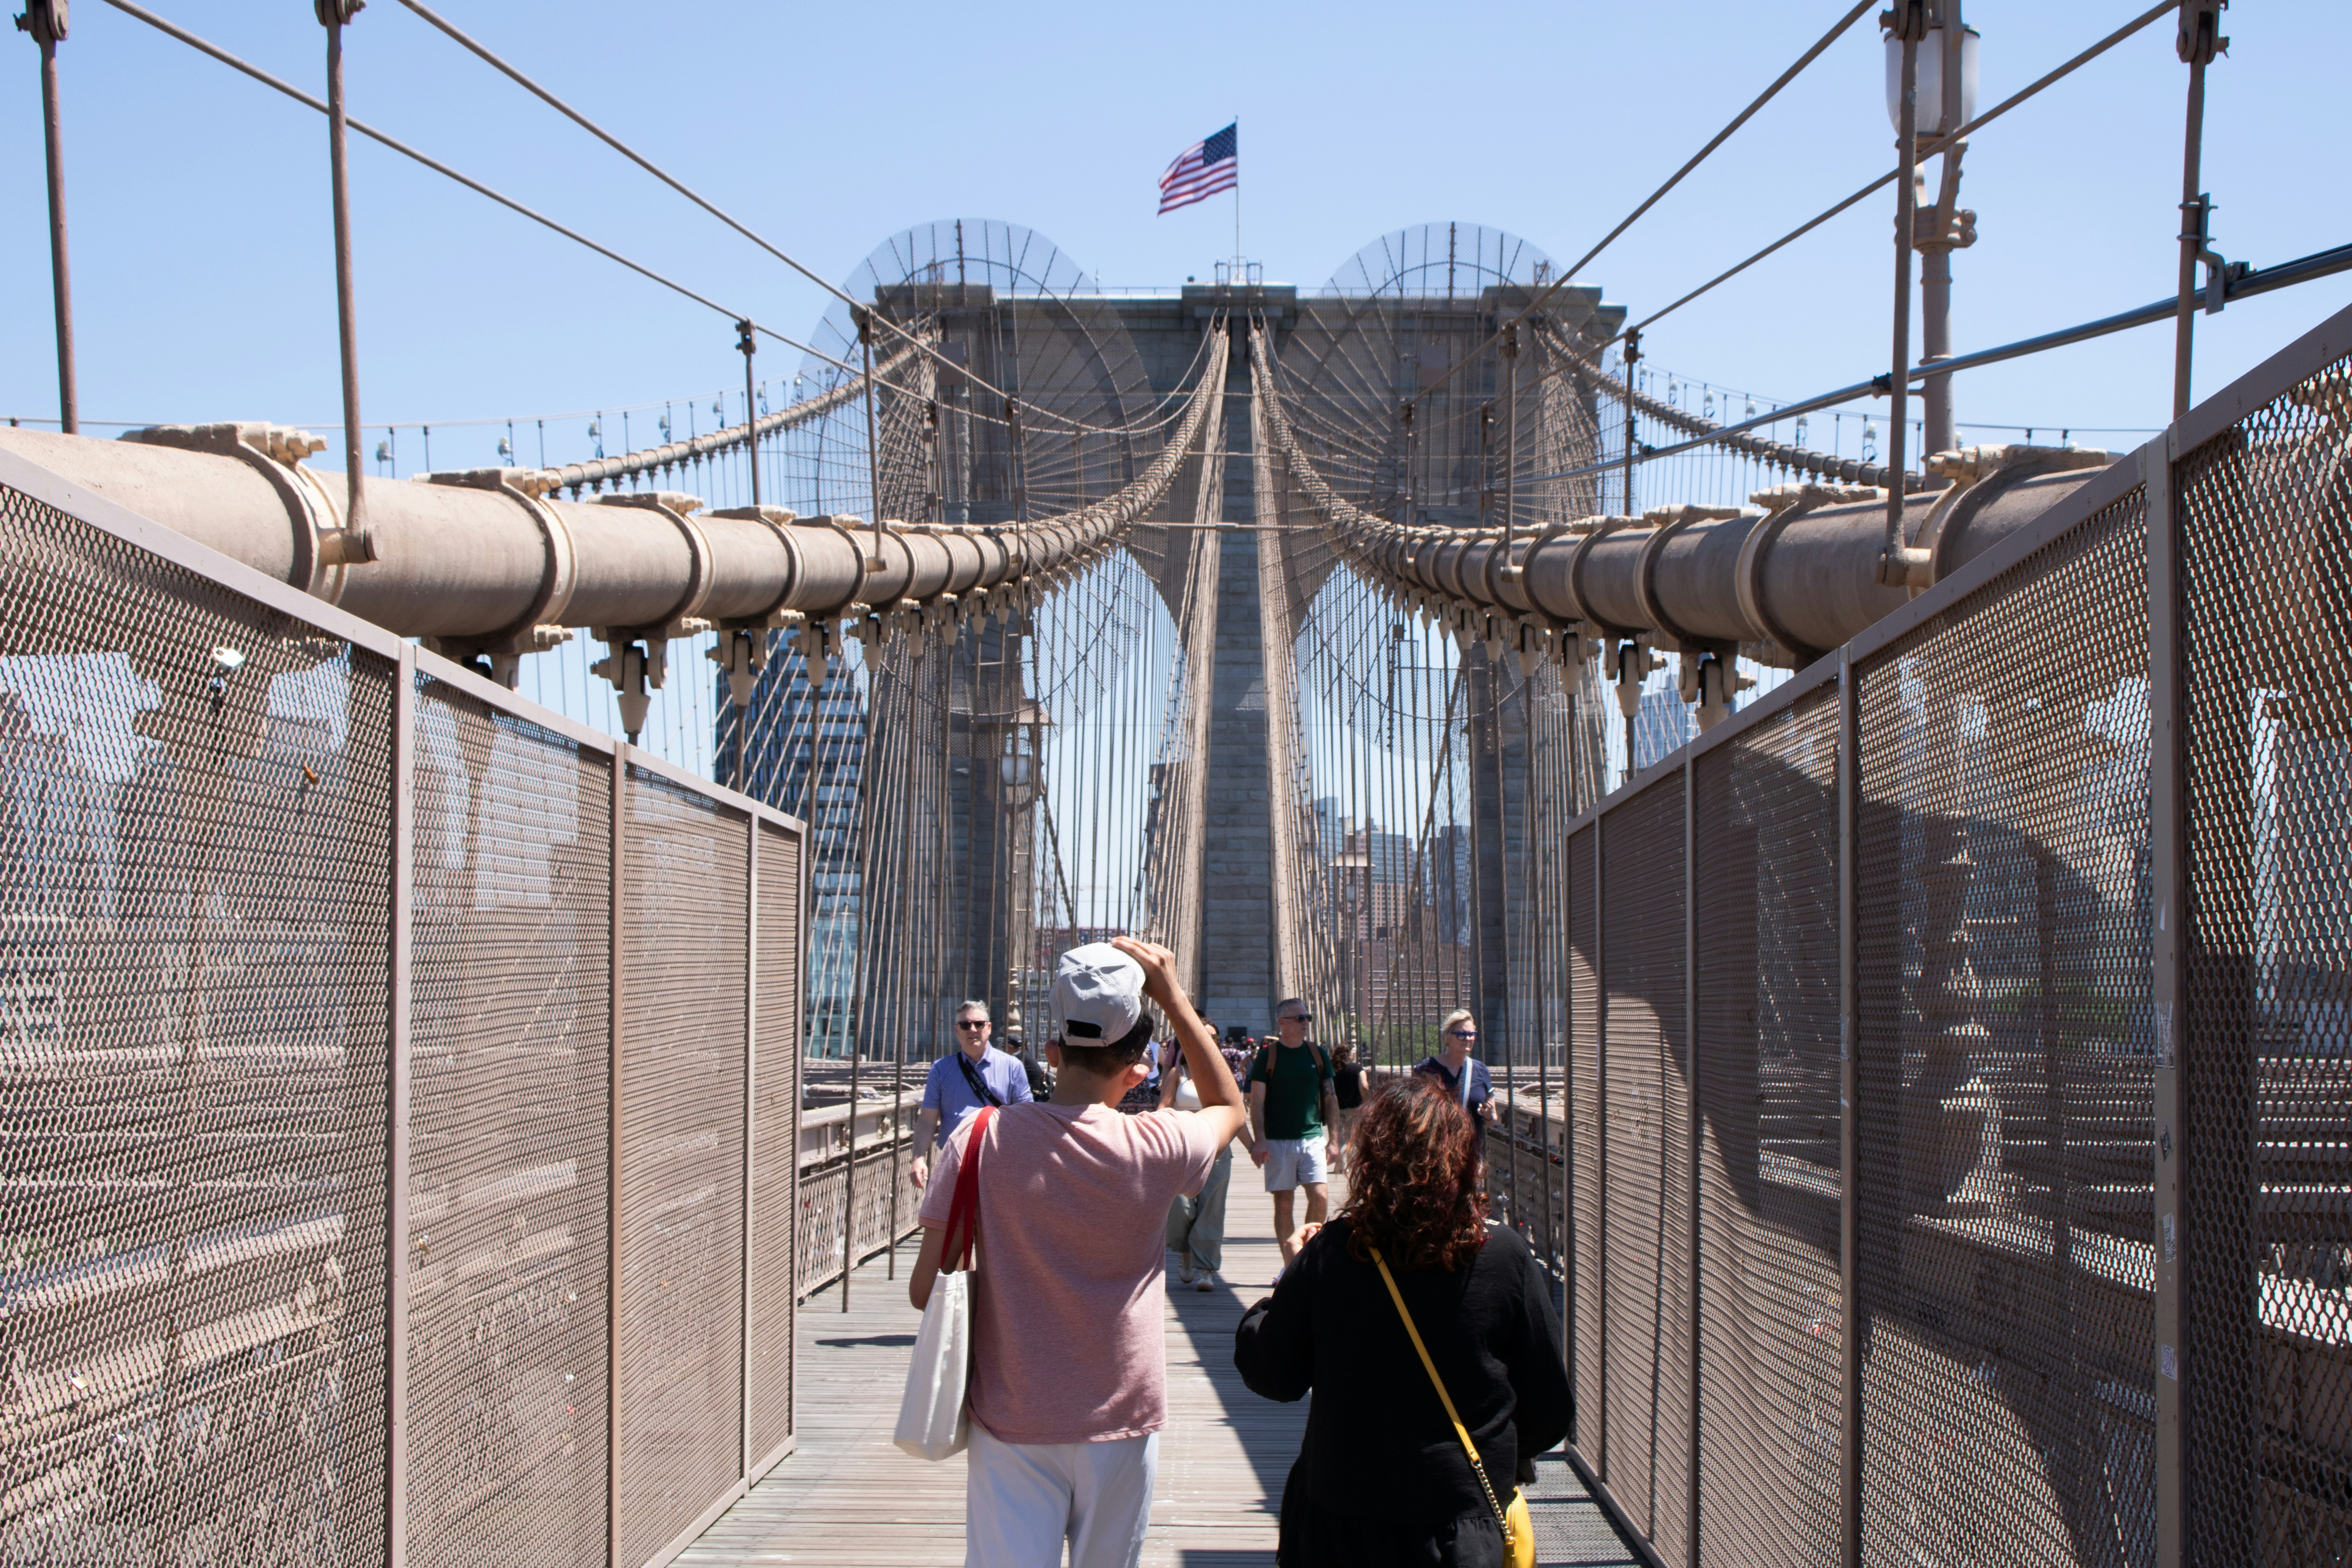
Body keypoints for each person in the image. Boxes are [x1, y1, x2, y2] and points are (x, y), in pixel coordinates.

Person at [909, 938, 1249, 1568]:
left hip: (1012, 1417)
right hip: (1123, 1422)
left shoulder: (978, 1140)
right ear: (1140, 1069)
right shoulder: (1158, 1145)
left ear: (1050, 1052)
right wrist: (1173, 996)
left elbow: (926, 1289)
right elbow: (1230, 1105)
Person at [1234, 1077, 1572, 1566]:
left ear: (1369, 1160)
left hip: (1341, 1526)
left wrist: (1286, 1283)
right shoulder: (1505, 1258)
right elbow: (1548, 1410)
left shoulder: (1333, 1253)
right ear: (1462, 1157)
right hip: (1460, 1531)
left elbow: (1273, 1372)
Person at [1248, 999, 1340, 1267]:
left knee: (1320, 1197)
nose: (1306, 1023)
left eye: (1307, 1018)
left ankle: (1307, 1260)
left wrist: (1334, 1139)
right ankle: (1291, 1267)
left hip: (1312, 1138)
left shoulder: (1317, 1054)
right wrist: (1260, 1140)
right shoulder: (1268, 1056)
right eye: (1300, 1018)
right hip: (1278, 1141)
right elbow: (1256, 1101)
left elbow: (1331, 1096)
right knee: (1285, 1203)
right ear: (1283, 1023)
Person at [910, 1000, 1034, 1191]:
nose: (973, 1029)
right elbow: (927, 1120)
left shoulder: (1012, 1067)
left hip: (1000, 1162)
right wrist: (918, 1159)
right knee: (955, 1221)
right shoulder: (940, 1070)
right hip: (954, 1163)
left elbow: (1027, 1119)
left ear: (989, 1028)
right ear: (956, 1031)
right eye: (966, 1025)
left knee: (995, 1221)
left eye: (979, 1024)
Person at [1158, 1035, 1236, 1292]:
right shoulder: (1176, 1074)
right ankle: (1185, 1251)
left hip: (1217, 1146)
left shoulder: (1220, 1075)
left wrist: (1255, 1145)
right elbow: (1164, 1107)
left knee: (1211, 1208)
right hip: (1183, 1148)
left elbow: (1235, 1113)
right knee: (1180, 1207)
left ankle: (1206, 1268)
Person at [1413, 1009, 1494, 1134]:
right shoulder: (1427, 1069)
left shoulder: (1481, 1070)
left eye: (1472, 1034)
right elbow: (1415, 1114)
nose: (1468, 1039)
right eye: (1462, 1034)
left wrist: (1489, 1115)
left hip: (1471, 1150)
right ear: (1448, 1037)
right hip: (1438, 1150)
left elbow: (1491, 1122)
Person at [1328, 1040, 1368, 1171]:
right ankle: (1351, 1166)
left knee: (1340, 1137)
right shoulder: (1357, 1068)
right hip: (1355, 1108)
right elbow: (1364, 1086)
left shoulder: (1332, 1069)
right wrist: (1365, 1099)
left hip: (1337, 1108)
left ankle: (1341, 1166)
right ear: (1350, 1054)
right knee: (1354, 1137)